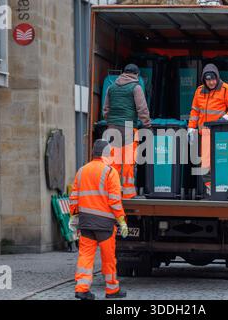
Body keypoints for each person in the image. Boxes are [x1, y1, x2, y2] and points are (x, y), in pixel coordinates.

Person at [69, 139, 129, 300]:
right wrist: (122, 221)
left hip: (86, 223)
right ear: (105, 154)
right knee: (108, 258)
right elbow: (115, 200)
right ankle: (111, 290)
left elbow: (74, 197)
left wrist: (74, 216)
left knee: (85, 256)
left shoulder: (82, 171)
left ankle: (81, 289)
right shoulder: (110, 172)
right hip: (105, 226)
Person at [187, 64, 228, 195]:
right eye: (208, 80)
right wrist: (191, 128)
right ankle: (210, 187)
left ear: (217, 77)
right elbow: (195, 111)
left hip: (220, 133)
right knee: (205, 162)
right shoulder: (199, 91)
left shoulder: (226, 89)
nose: (211, 82)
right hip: (204, 132)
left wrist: (227, 117)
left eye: (213, 79)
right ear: (204, 80)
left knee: (221, 161)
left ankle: (222, 186)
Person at [103, 64, 151, 199]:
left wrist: (111, 122)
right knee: (128, 161)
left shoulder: (111, 87)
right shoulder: (136, 87)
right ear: (136, 75)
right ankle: (128, 194)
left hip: (112, 128)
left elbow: (105, 109)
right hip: (129, 126)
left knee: (113, 162)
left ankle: (113, 193)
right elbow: (142, 108)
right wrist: (147, 124)